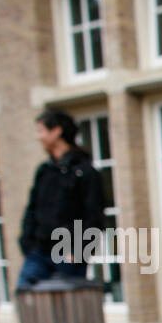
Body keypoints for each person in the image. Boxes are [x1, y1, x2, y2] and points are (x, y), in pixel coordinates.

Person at [17, 110, 106, 290]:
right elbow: (32, 209)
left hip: (68, 253)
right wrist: (27, 243)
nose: (38, 137)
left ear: (56, 131)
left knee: (66, 309)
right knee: (26, 296)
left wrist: (79, 252)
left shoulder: (85, 172)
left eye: (41, 131)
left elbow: (94, 217)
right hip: (38, 252)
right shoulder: (44, 171)